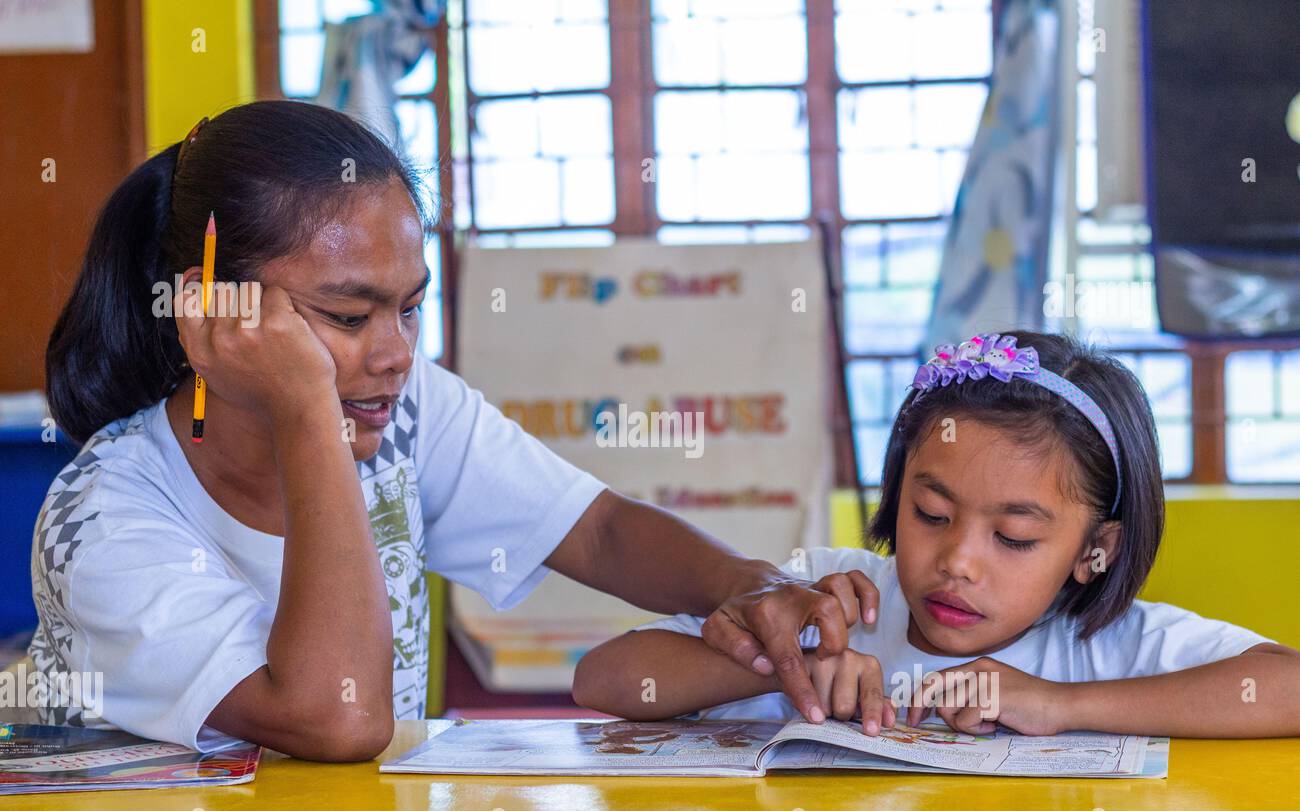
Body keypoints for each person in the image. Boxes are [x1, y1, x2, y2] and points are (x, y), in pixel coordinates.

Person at [33, 100, 847, 761]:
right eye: (349, 315)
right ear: (211, 308)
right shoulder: (104, 521)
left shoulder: (408, 411)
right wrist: (309, 415)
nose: (396, 353)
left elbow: (596, 531)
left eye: (411, 306)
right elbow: (337, 719)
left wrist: (752, 587)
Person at [574, 331, 1300, 739]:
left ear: (1095, 550)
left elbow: (1286, 688)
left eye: (1013, 537)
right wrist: (790, 663)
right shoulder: (832, 602)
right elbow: (601, 678)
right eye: (931, 514)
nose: (957, 561)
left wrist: (1056, 704)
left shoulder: (1105, 648)